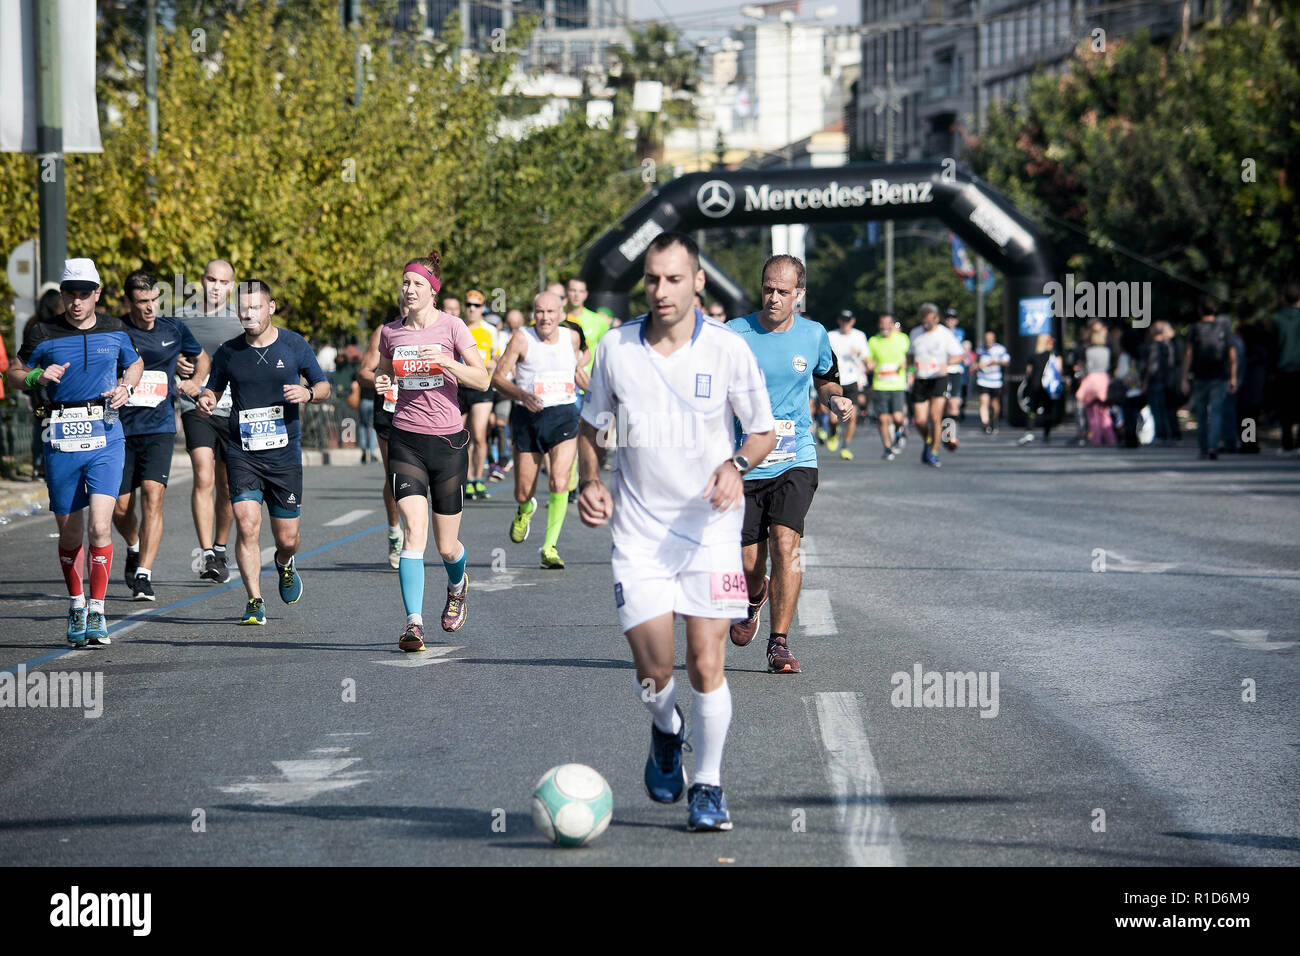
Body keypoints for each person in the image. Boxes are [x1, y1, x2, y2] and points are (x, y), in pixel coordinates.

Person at [577, 231, 776, 831]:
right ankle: (667, 729)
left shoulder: (727, 350)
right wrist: (590, 480)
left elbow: (762, 432)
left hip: (711, 528)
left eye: (673, 279)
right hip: (638, 534)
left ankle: (709, 787)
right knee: (654, 673)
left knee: (704, 663)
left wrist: (736, 466)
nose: (661, 291)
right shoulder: (615, 349)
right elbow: (591, 429)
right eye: (652, 279)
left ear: (697, 282)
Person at [6, 258, 144, 646]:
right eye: (71, 294)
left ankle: (98, 611)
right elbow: (12, 373)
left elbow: (135, 365)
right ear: (63, 295)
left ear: (97, 294)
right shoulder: (43, 333)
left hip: (105, 435)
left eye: (85, 294)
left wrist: (126, 387)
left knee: (101, 525)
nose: (77, 302)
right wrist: (35, 375)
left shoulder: (115, 328)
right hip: (61, 439)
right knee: (69, 532)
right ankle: (77, 602)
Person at [727, 255, 853, 674]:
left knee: (786, 543)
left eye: (783, 291)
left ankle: (778, 643)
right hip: (745, 462)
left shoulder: (814, 334)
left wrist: (834, 398)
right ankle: (753, 594)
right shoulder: (734, 333)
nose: (774, 298)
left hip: (796, 456)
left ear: (799, 293)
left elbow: (825, 377)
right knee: (748, 565)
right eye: (768, 289)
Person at [372, 252, 491, 651]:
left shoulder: (453, 327)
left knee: (445, 546)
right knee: (413, 534)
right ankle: (413, 623)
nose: (408, 290)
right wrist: (382, 380)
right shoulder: (391, 332)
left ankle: (457, 586)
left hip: (447, 441)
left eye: (417, 284)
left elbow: (483, 377)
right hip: (406, 438)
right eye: (405, 283)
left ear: (433, 291)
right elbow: (382, 370)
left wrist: (446, 361)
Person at [196, 279, 328, 625]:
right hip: (243, 451)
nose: (249, 313)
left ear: (270, 308)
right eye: (243, 308)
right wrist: (207, 400)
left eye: (256, 307)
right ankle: (254, 599)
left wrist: (309, 395)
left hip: (284, 455)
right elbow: (212, 390)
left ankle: (285, 562)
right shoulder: (228, 351)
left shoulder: (294, 345)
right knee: (247, 523)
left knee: (287, 538)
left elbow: (323, 385)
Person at [112, 270, 207, 601]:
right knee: (120, 509)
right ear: (129, 302)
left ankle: (143, 575)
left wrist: (196, 380)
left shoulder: (174, 329)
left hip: (160, 426)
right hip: (120, 428)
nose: (150, 308)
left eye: (154, 300)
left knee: (153, 494)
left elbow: (201, 356)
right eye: (142, 302)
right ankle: (134, 546)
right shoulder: (115, 329)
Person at [492, 291, 583, 569]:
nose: (544, 318)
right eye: (539, 312)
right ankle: (525, 508)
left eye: (550, 312)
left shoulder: (572, 338)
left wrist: (600, 394)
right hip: (528, 416)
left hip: (565, 415)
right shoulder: (522, 338)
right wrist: (521, 395)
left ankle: (549, 547)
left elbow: (576, 372)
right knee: (523, 491)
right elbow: (497, 378)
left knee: (559, 481)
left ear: (560, 314)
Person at [176, 258, 243, 584]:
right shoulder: (181, 317)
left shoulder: (241, 321)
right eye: (211, 280)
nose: (216, 287)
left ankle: (219, 548)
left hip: (232, 409)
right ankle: (205, 553)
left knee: (227, 485)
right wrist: (175, 361)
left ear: (232, 286)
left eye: (223, 282)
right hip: (195, 406)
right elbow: (161, 350)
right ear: (201, 281)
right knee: (203, 473)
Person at [357, 308, 405, 569]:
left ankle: (415, 533)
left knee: (421, 477)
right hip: (389, 413)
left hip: (424, 414)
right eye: (404, 304)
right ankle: (396, 532)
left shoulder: (439, 329)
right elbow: (364, 371)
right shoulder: (386, 332)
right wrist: (378, 377)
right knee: (395, 478)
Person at [907, 304, 964, 467]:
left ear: (936, 319)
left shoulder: (944, 334)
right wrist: (910, 370)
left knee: (935, 416)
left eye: (929, 323)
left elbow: (959, 355)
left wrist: (947, 363)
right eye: (923, 322)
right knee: (919, 420)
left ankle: (933, 451)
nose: (925, 325)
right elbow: (910, 355)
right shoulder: (915, 333)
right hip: (921, 379)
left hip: (939, 379)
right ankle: (929, 439)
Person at [1181, 295, 1237, 460]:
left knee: (1201, 413)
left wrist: (1184, 377)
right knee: (1216, 411)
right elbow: (1232, 355)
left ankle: (1204, 448)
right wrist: (1233, 377)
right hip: (1220, 375)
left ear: (1200, 310)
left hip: (1200, 375)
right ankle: (1214, 445)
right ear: (1215, 309)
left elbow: (1189, 354)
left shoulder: (1194, 328)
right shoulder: (1224, 328)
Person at [458, 290, 498, 500]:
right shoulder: (458, 327)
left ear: (483, 308)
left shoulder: (490, 330)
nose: (471, 308)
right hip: (460, 386)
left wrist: (491, 363)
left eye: (476, 305)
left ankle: (478, 479)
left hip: (481, 387)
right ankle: (468, 478)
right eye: (468, 304)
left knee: (480, 435)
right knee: (463, 436)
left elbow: (496, 357)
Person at [487, 308, 525, 482]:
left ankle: (504, 458)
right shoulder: (499, 337)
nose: (514, 329)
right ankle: (492, 460)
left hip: (508, 388)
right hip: (491, 386)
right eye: (511, 326)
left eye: (517, 326)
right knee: (489, 424)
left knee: (502, 422)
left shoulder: (525, 337)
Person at [825, 310, 869, 460]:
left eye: (848, 320)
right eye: (843, 320)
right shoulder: (831, 336)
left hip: (852, 380)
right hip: (835, 380)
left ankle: (846, 446)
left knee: (851, 417)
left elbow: (867, 361)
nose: (845, 323)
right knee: (833, 418)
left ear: (852, 321)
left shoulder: (859, 336)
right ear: (839, 321)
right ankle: (833, 432)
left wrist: (857, 354)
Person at [866, 312, 909, 459]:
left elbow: (911, 357)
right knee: (883, 419)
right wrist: (869, 365)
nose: (884, 326)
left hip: (897, 385)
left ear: (892, 325)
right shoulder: (873, 341)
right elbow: (869, 360)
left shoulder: (903, 339)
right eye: (882, 323)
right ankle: (887, 447)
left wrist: (907, 364)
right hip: (880, 385)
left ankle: (899, 432)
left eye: (887, 323)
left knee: (898, 418)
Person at [1269, 282, 1300, 454]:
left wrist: (1272, 369)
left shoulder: (1277, 319)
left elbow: (1273, 347)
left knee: (1285, 408)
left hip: (1283, 369)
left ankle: (1287, 442)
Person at [1017, 334, 1064, 445]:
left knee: (1032, 410)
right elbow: (1059, 370)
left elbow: (1029, 372)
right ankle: (1046, 435)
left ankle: (1029, 431)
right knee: (1048, 411)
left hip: (1035, 385)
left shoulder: (1033, 356)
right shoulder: (1055, 356)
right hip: (1048, 387)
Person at [1075, 324, 1116, 446]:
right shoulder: (1107, 351)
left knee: (1092, 412)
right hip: (1104, 379)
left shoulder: (1088, 351)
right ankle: (1110, 438)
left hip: (1092, 380)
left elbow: (1088, 368)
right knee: (1104, 412)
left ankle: (1096, 438)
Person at [940, 307, 970, 442]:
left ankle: (951, 433)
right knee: (944, 403)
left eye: (952, 318)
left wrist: (965, 357)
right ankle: (944, 429)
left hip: (957, 371)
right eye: (947, 318)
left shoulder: (960, 333)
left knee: (955, 403)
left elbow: (963, 350)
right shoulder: (940, 332)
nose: (950, 321)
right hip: (943, 371)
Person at [974, 330, 1009, 434]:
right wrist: (976, 365)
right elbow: (976, 362)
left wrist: (995, 362)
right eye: (986, 339)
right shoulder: (980, 350)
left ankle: (994, 421)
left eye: (990, 339)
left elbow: (1007, 361)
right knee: (984, 401)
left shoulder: (1000, 349)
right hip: (983, 380)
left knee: (994, 403)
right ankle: (985, 424)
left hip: (995, 381)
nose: (988, 341)